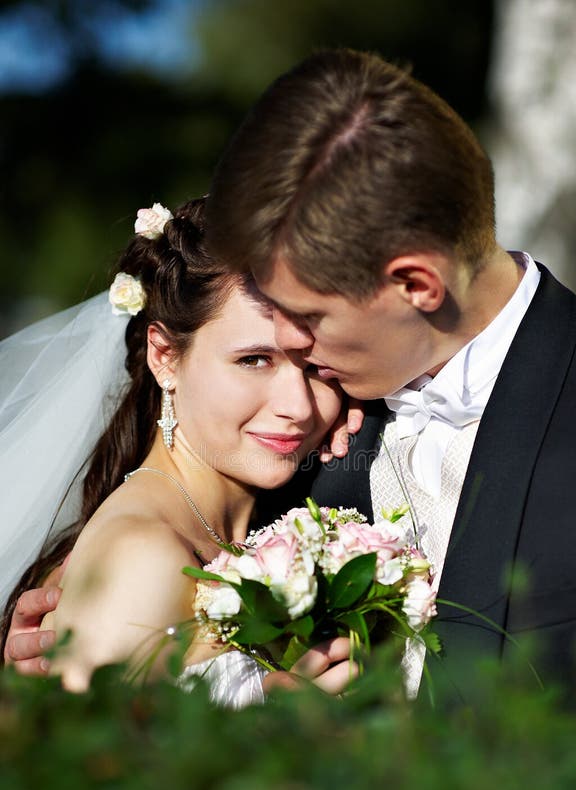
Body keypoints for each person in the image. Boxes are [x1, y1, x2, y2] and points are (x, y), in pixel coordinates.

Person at [8, 47, 576, 711]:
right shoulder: (301, 445)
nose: (299, 378)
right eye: (260, 352)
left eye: (309, 317)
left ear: (415, 285)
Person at [0, 197, 355, 701]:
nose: (298, 406)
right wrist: (275, 722)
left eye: (316, 367)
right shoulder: (142, 556)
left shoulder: (248, 521)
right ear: (165, 357)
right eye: (254, 360)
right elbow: (81, 773)